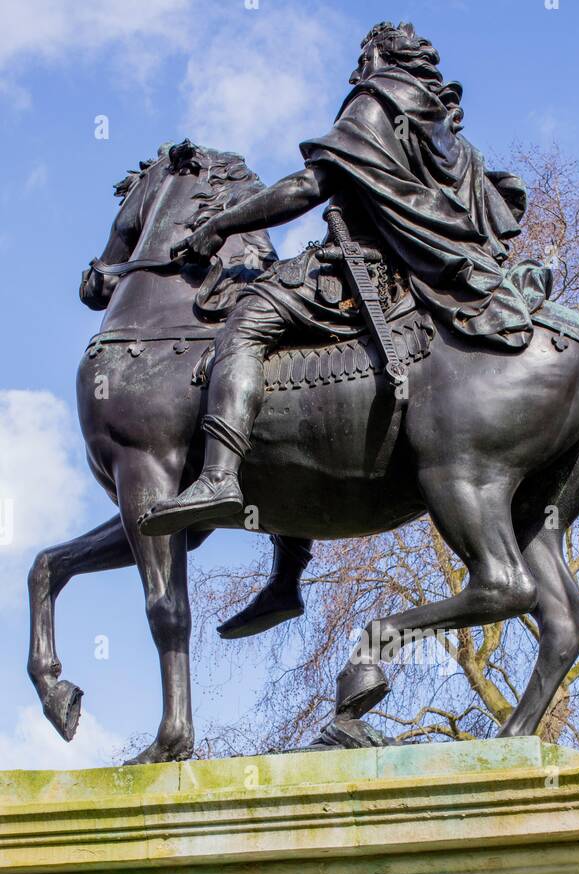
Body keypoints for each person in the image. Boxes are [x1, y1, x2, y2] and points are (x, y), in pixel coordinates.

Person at [139, 20, 548, 554]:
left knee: (246, 322)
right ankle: (285, 571)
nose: (357, 67)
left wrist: (219, 225)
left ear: (377, 57)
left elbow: (309, 184)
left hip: (356, 272)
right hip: (415, 275)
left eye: (363, 56)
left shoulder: (375, 102)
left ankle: (219, 476)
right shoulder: (445, 129)